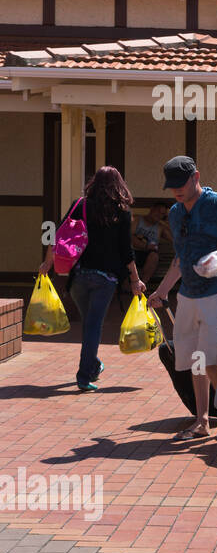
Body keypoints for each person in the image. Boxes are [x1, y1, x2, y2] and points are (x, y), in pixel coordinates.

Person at [146, 156, 217, 441]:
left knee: (212, 357)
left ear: (196, 177)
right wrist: (162, 291)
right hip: (188, 294)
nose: (176, 191)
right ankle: (201, 420)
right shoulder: (174, 213)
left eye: (181, 184)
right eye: (171, 186)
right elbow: (180, 259)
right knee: (195, 358)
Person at [38, 167, 146, 392]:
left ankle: (93, 365)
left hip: (78, 277)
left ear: (94, 183)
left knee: (90, 325)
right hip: (105, 279)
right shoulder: (122, 212)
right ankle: (84, 375)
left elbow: (58, 235)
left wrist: (48, 263)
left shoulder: (80, 205)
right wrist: (135, 280)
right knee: (93, 326)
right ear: (119, 184)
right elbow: (127, 251)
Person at [131, 201, 171, 284]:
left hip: (147, 256)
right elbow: (130, 237)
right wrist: (145, 246)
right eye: (158, 211)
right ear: (152, 209)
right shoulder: (138, 219)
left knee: (154, 256)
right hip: (133, 252)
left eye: (162, 214)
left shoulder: (160, 227)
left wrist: (168, 222)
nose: (159, 214)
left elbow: (175, 239)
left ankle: (142, 285)